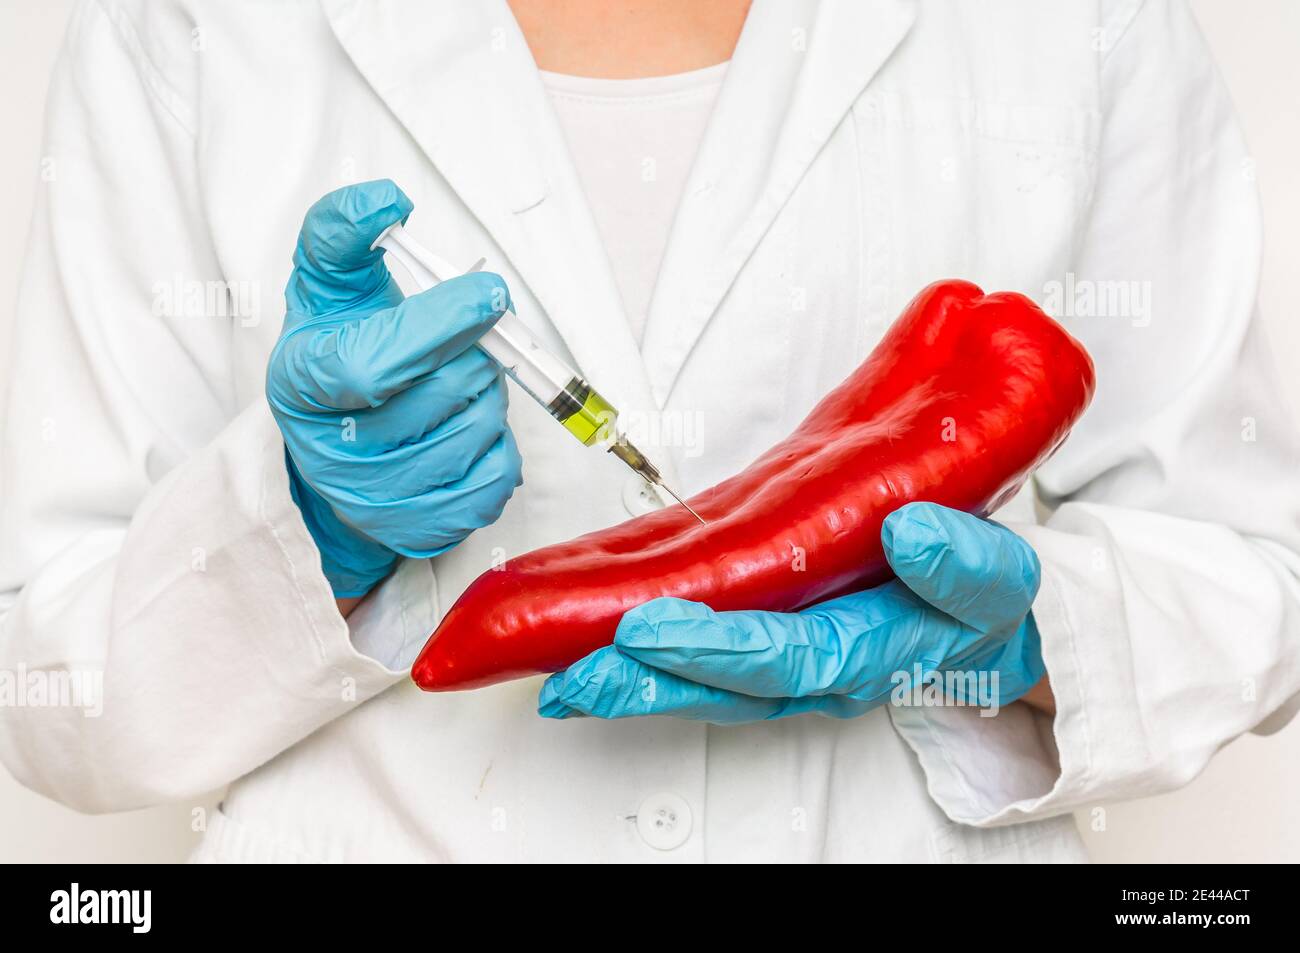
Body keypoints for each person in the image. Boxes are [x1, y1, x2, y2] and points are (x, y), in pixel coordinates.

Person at [2, 0, 1297, 863]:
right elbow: (45, 680)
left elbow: (1261, 577)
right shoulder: (190, 29)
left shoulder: (1079, 25)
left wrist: (1021, 640)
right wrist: (305, 529)